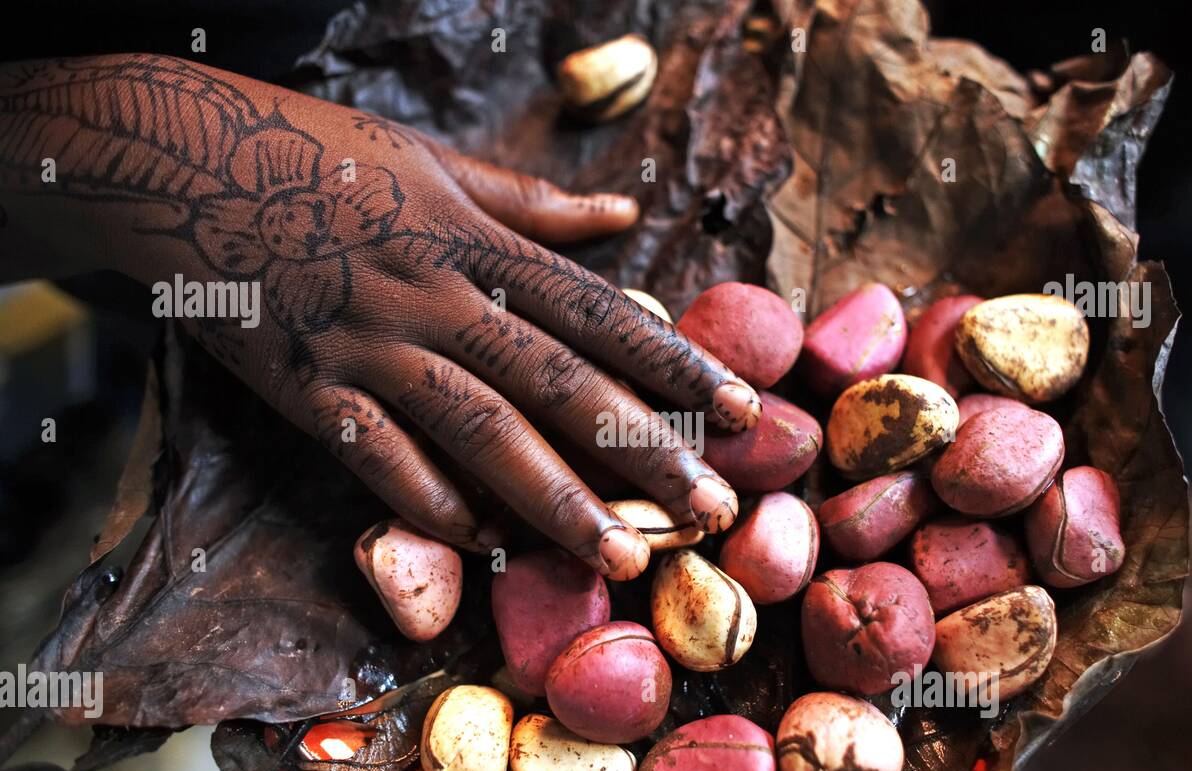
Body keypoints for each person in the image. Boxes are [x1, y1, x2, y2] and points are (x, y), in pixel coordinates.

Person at [0, 53, 760, 581]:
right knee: (151, 373)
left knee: (146, 386)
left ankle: (107, 403)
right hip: (140, 262)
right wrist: (118, 148)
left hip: (386, 141)